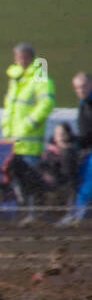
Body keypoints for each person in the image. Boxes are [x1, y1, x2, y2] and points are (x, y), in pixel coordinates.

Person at [1, 41, 56, 222]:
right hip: (13, 140)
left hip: (30, 140)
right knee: (17, 177)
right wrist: (6, 128)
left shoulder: (39, 77)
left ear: (31, 58)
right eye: (18, 57)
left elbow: (46, 103)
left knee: (31, 177)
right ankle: (28, 211)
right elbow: (10, 106)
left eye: (24, 57)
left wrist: (29, 123)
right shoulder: (16, 78)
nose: (21, 60)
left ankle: (36, 213)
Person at [66, 71, 92, 225]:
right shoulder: (83, 104)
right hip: (87, 150)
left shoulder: (88, 104)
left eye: (83, 86)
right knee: (81, 183)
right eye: (77, 88)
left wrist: (77, 140)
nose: (80, 90)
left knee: (86, 187)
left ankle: (76, 218)